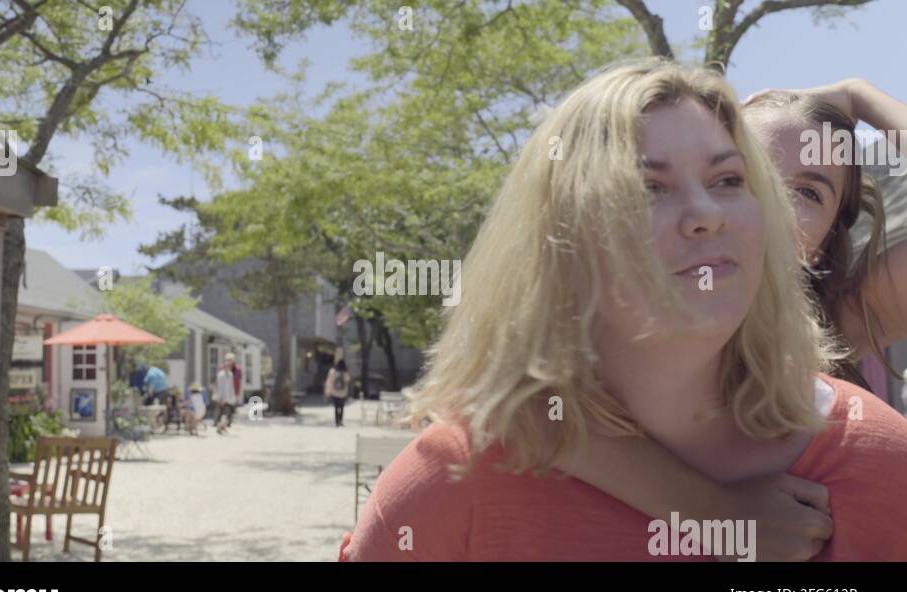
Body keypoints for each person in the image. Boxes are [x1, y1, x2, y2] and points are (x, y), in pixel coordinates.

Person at [338, 59, 907, 562]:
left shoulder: (874, 441)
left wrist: (861, 95)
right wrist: (708, 514)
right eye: (649, 186)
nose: (709, 211)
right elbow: (522, 405)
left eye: (729, 179)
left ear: (833, 235)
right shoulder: (463, 475)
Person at [547, 77, 907, 561]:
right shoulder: (607, 307)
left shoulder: (841, 321)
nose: (774, 203)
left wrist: (862, 96)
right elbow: (520, 395)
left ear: (824, 242)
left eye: (808, 192)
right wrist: (712, 513)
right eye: (745, 174)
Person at [215, 352, 241, 434]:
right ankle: (220, 426)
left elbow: (232, 387)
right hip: (222, 397)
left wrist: (235, 396)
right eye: (227, 361)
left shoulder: (233, 373)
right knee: (223, 412)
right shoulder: (221, 375)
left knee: (228, 413)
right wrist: (220, 397)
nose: (229, 363)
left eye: (230, 360)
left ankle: (223, 426)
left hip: (230, 397)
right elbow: (220, 386)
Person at [324, 359, 352, 426]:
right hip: (343, 392)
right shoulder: (345, 372)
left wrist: (327, 391)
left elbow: (329, 382)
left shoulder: (332, 371)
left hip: (334, 392)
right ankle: (341, 421)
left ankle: (337, 421)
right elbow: (348, 380)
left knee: (336, 407)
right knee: (341, 407)